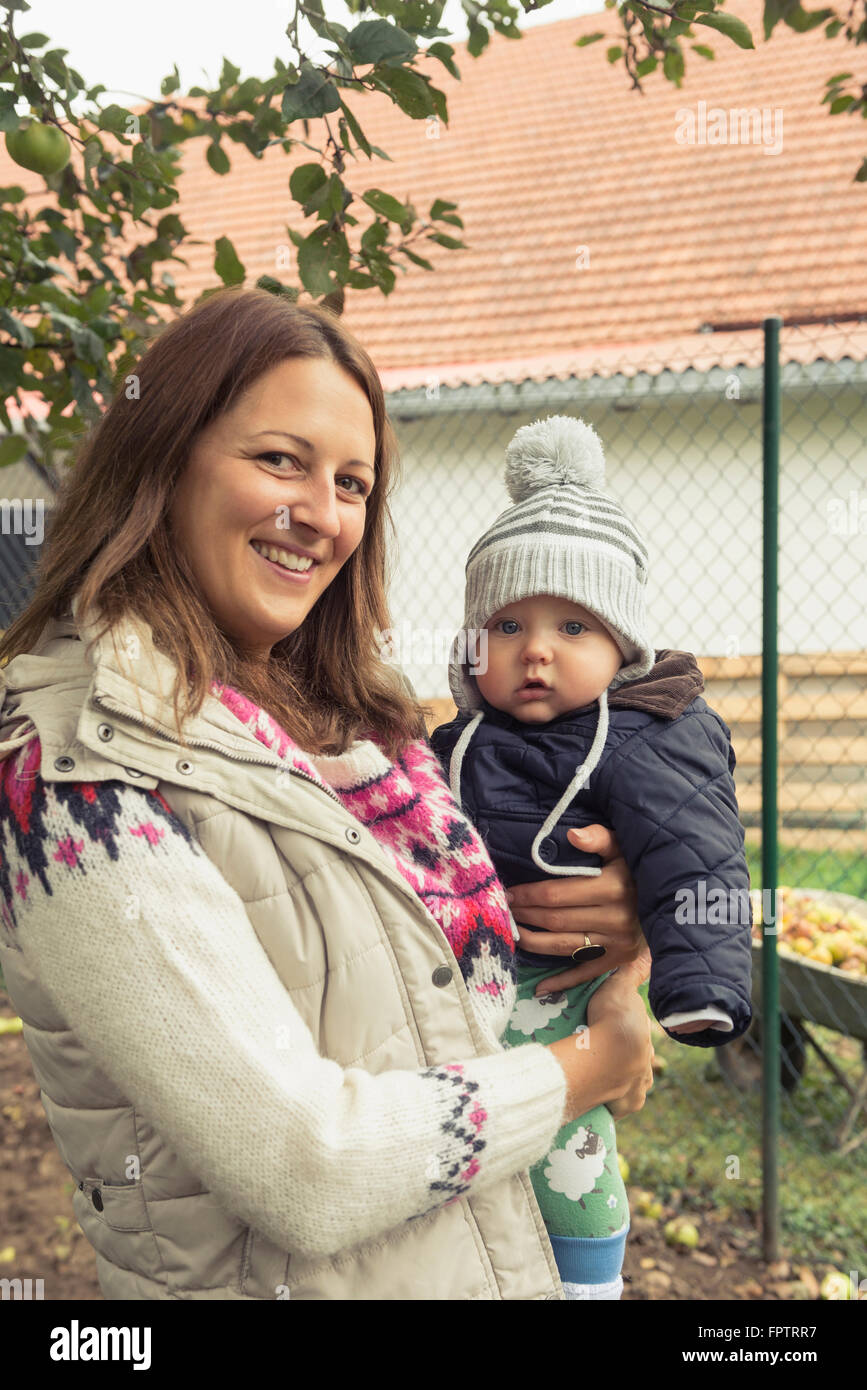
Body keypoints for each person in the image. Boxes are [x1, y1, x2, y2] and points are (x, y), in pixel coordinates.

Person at [0, 287, 653, 1301]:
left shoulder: (363, 727)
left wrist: (610, 920)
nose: (322, 515)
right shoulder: (74, 772)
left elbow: (447, 1002)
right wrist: (585, 1069)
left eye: (353, 482)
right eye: (279, 460)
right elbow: (309, 1166)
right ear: (161, 460)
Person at [429, 414, 753, 1301]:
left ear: (622, 645)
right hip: (458, 997)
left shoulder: (651, 737)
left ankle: (586, 1281)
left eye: (573, 624)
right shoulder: (450, 745)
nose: (534, 648)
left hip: (564, 989)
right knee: (470, 1165)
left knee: (568, 1156)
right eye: (506, 624)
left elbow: (696, 859)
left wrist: (695, 983)